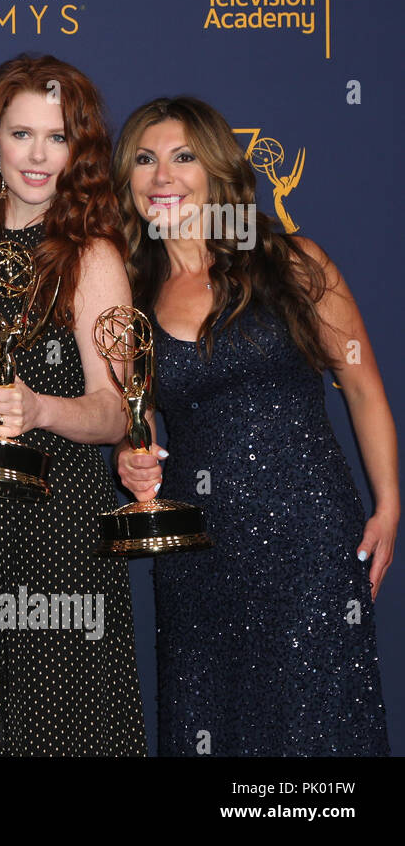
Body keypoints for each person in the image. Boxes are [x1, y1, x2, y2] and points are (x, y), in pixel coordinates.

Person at [112, 96, 393, 756]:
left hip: (309, 547)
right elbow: (138, 421)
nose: (162, 176)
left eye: (182, 157)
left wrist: (389, 505)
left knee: (317, 728)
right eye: (145, 160)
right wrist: (133, 459)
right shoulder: (127, 296)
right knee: (213, 721)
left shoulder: (292, 261)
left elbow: (363, 384)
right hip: (199, 559)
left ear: (216, 168)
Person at [0, 54, 146, 756]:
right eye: (20, 133)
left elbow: (117, 410)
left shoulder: (89, 254)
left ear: (79, 150)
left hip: (56, 523)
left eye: (56, 137)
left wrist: (38, 408)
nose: (36, 155)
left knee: (57, 719)